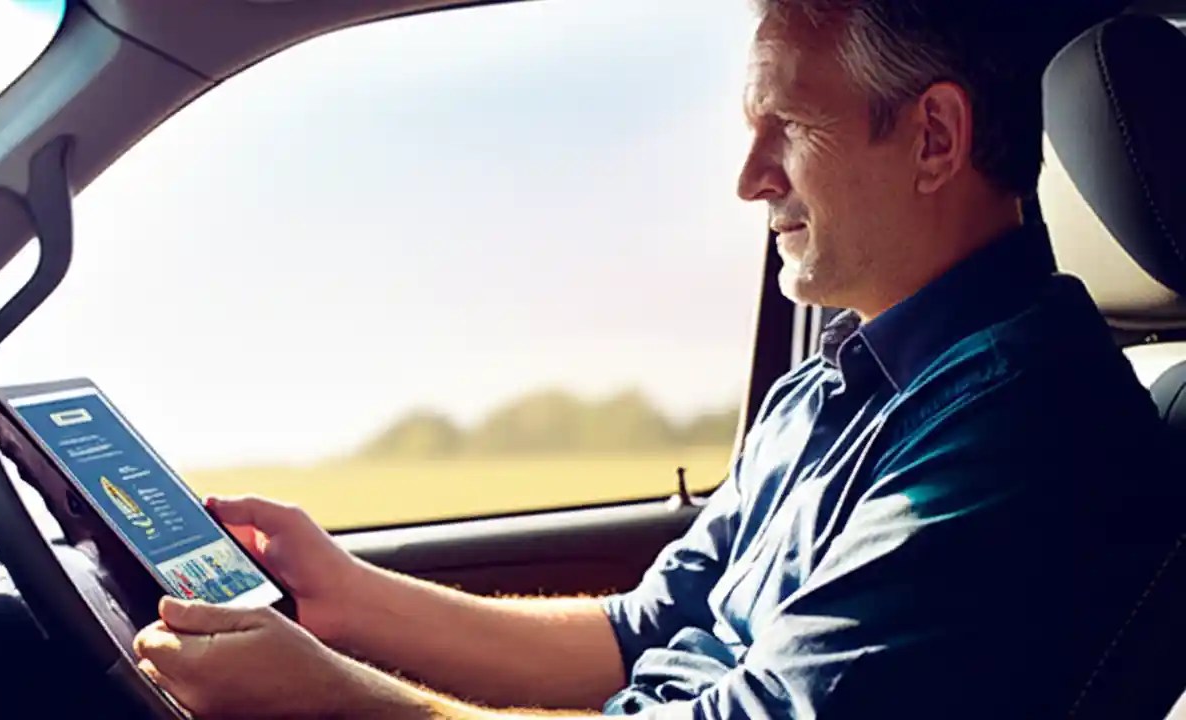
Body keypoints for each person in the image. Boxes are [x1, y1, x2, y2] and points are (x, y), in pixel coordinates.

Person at [133, 1, 1185, 718]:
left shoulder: (1021, 429)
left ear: (933, 140)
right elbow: (638, 639)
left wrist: (330, 698)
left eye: (785, 126)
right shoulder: (840, 385)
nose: (745, 178)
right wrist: (347, 591)